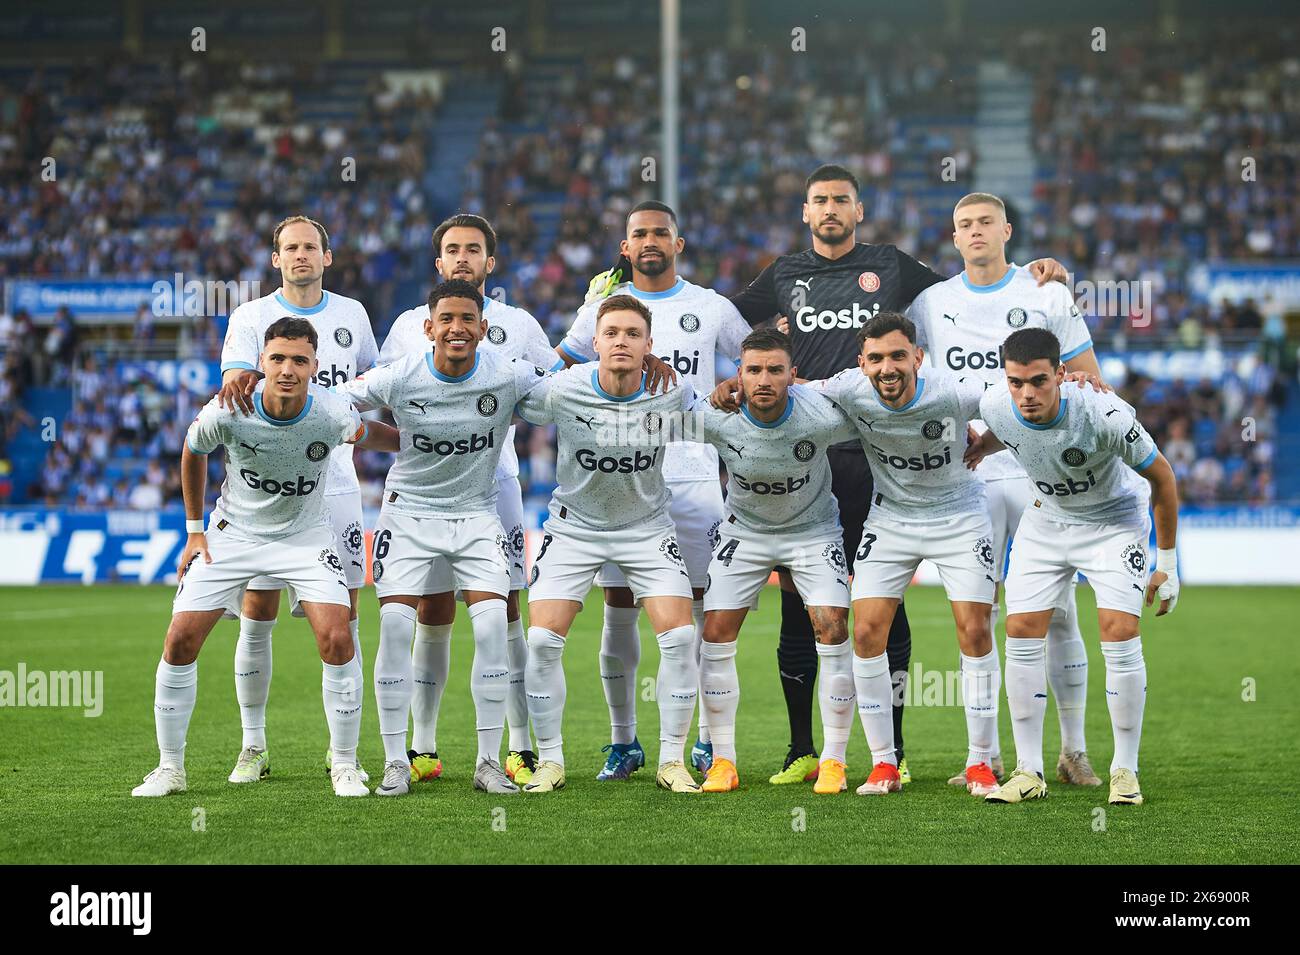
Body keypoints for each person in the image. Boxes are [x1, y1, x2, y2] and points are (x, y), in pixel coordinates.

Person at [717, 164, 1067, 784]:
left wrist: (1038, 279)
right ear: (806, 211)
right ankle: (805, 748)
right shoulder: (783, 274)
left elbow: (969, 289)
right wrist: (736, 382)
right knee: (803, 606)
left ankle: (893, 752)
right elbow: (725, 323)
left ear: (859, 210)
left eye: (841, 201)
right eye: (819, 200)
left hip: (881, 466)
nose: (830, 209)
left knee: (884, 609)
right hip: (810, 457)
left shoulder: (894, 266)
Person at [131, 318, 396, 798]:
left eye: (299, 360)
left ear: (316, 366)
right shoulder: (230, 408)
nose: (288, 369)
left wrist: (419, 441)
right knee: (180, 639)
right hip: (234, 534)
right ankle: (170, 767)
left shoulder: (331, 412)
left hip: (305, 536)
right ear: (261, 363)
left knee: (338, 638)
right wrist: (194, 532)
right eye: (277, 359)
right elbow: (193, 450)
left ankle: (343, 764)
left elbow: (368, 433)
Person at [908, 191, 1108, 788]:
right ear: (953, 237)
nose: (975, 232)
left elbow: (1090, 377)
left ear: (1007, 231)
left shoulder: (1046, 292)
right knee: (978, 613)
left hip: (1038, 474)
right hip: (966, 473)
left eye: (985, 223)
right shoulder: (930, 302)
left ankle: (1073, 751)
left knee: (1059, 611)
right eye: (964, 224)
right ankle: (986, 756)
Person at [556, 200, 751, 780]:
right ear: (625, 246)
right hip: (617, 478)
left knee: (689, 610)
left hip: (691, 472)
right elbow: (559, 369)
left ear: (678, 243)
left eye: (660, 233)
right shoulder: (599, 309)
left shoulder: (710, 306)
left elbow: (755, 363)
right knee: (618, 608)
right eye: (638, 234)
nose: (649, 242)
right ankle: (624, 741)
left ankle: (690, 742)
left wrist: (723, 394)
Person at [335, 280, 548, 797]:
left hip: (477, 516)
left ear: (483, 328)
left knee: (495, 628)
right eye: (446, 319)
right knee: (393, 628)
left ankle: (488, 762)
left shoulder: (508, 375)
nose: (457, 328)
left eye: (467, 319)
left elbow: (570, 389)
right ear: (429, 328)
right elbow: (336, 401)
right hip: (408, 516)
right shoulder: (399, 376)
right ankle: (394, 761)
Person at [380, 213, 562, 787]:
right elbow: (384, 400)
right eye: (452, 249)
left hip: (494, 484)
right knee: (430, 612)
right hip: (424, 490)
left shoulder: (520, 325)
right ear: (438, 263)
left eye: (473, 249)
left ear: (491, 262)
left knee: (504, 609)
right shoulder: (409, 326)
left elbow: (557, 387)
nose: (462, 257)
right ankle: (422, 748)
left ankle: (517, 746)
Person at [967, 328, 1180, 806]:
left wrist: (1167, 563)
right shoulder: (997, 404)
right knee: (1021, 629)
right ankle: (1028, 772)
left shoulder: (1105, 413)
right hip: (1048, 520)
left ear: (1062, 373)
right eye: (1016, 382)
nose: (1026, 394)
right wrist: (985, 447)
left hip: (1114, 524)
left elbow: (1162, 476)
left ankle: (1125, 770)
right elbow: (1008, 427)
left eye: (1039, 381)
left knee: (1119, 632)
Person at [514, 295, 701, 795]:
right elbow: (514, 393)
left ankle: (671, 761)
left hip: (647, 527)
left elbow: (717, 416)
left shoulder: (672, 391)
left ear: (649, 346)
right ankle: (550, 761)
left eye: (632, 334)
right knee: (542, 642)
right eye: (612, 333)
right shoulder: (564, 389)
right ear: (595, 343)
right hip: (574, 528)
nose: (621, 341)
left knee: (681, 638)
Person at [217, 215, 379, 784]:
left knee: (343, 621)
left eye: (311, 247)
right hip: (266, 490)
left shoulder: (352, 314)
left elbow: (371, 390)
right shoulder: (250, 317)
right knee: (257, 614)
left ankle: (345, 756)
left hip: (336, 485)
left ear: (327, 257)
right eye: (291, 247)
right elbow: (235, 387)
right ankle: (253, 747)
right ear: (275, 257)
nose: (302, 256)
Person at [810, 313, 999, 797]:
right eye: (875, 359)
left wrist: (990, 443)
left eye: (898, 356)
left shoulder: (954, 391)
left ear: (918, 356)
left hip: (959, 516)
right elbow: (794, 390)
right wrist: (733, 386)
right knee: (867, 630)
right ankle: (883, 765)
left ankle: (981, 763)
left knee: (974, 628)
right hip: (891, 518)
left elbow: (1020, 401)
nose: (887, 368)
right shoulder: (848, 387)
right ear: (861, 363)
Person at [688, 328, 858, 794]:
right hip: (745, 533)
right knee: (715, 633)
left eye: (775, 370)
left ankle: (834, 761)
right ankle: (723, 760)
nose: (764, 379)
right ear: (738, 374)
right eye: (754, 370)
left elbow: (876, 412)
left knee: (834, 629)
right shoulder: (716, 415)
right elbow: (655, 421)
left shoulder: (820, 415)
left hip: (814, 531)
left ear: (793, 375)